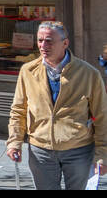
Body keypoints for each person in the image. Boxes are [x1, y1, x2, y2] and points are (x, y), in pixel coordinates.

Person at [6, 20, 107, 189]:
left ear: (65, 43)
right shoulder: (28, 71)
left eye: (49, 41)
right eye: (40, 40)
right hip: (40, 149)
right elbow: (18, 110)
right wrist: (14, 141)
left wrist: (102, 154)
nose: (43, 46)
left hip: (78, 149)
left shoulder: (89, 74)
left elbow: (102, 116)